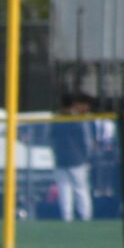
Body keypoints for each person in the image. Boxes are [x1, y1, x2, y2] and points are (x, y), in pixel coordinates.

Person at [50, 91, 94, 221]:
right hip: (77, 159)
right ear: (74, 104)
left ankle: (67, 218)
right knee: (80, 189)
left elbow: (51, 138)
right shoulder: (78, 119)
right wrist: (88, 156)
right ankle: (85, 217)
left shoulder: (56, 118)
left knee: (65, 189)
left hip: (61, 159)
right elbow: (86, 140)